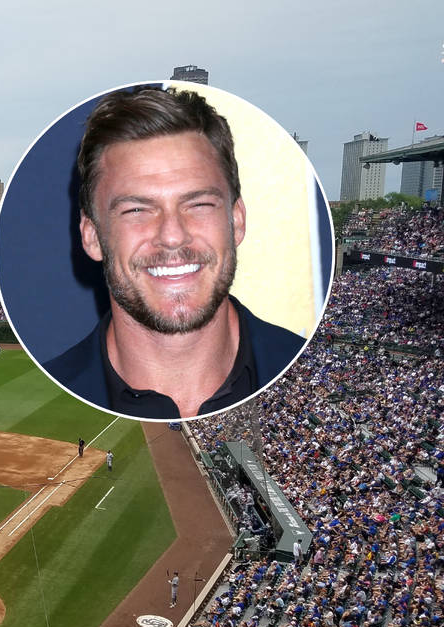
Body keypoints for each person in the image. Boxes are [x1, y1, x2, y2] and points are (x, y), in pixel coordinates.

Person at [42, 87, 304, 419]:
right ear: (92, 236)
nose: (172, 236)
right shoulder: (50, 390)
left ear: (237, 221)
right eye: (137, 210)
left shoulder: (301, 363)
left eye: (198, 204)